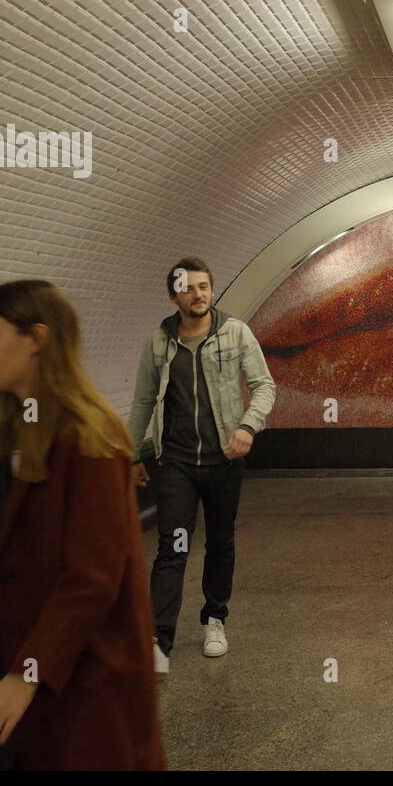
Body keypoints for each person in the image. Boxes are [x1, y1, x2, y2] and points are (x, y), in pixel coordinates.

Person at [0, 280, 165, 770]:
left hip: (73, 675)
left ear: (36, 339)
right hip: (6, 649)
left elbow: (92, 577)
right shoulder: (12, 427)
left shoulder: (90, 440)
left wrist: (26, 674)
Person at [128, 258, 275, 673]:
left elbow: (264, 385)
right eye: (189, 288)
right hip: (175, 462)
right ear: (174, 296)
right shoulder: (159, 342)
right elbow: (142, 402)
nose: (199, 295)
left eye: (204, 286)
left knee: (220, 543)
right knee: (172, 548)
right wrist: (131, 456)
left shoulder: (235, 333)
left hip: (224, 461)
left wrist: (248, 426)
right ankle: (158, 640)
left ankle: (215, 619)